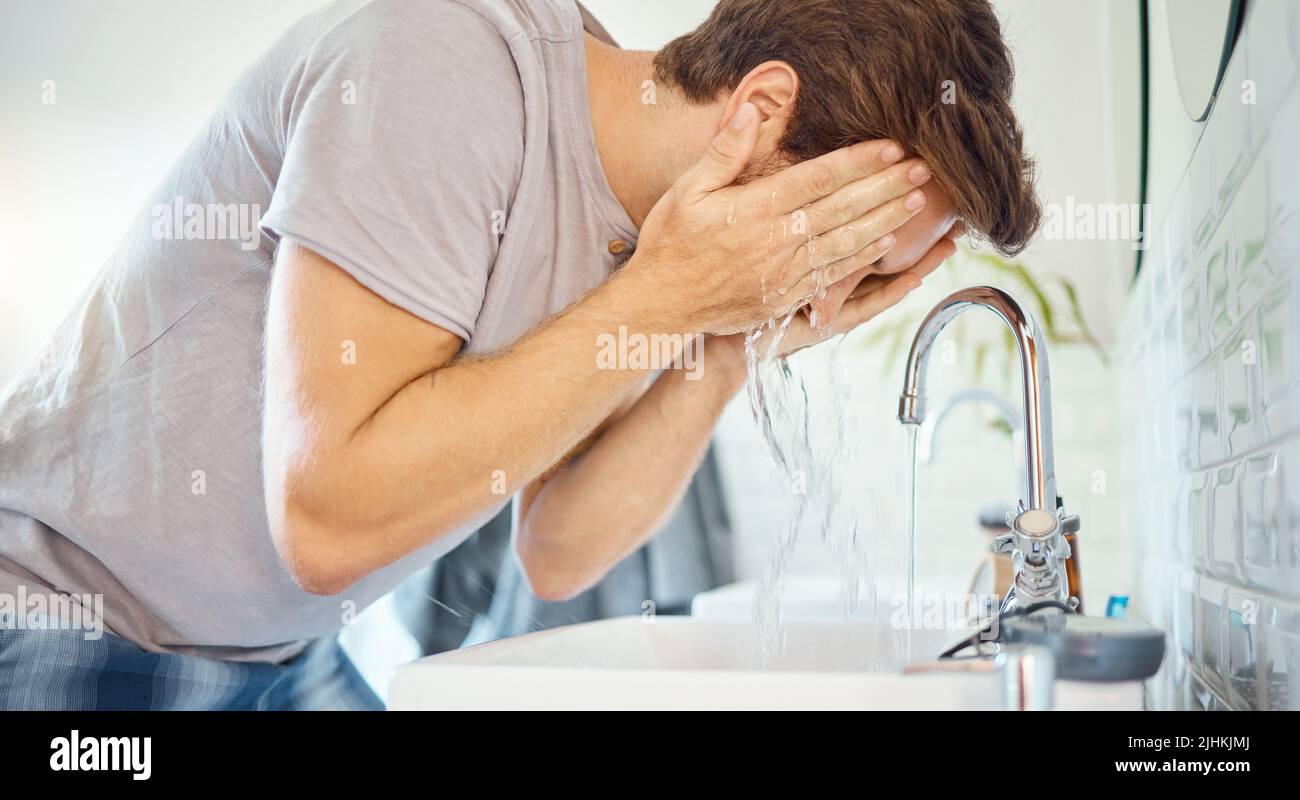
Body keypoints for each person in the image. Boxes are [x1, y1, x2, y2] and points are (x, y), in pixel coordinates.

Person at [0, 0, 1038, 709]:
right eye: (844, 247)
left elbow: (558, 549)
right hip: (67, 619)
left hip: (275, 651)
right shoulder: (441, 70)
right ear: (762, 112)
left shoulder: (650, 229)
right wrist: (673, 291)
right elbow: (326, 516)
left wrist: (725, 345)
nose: (832, 288)